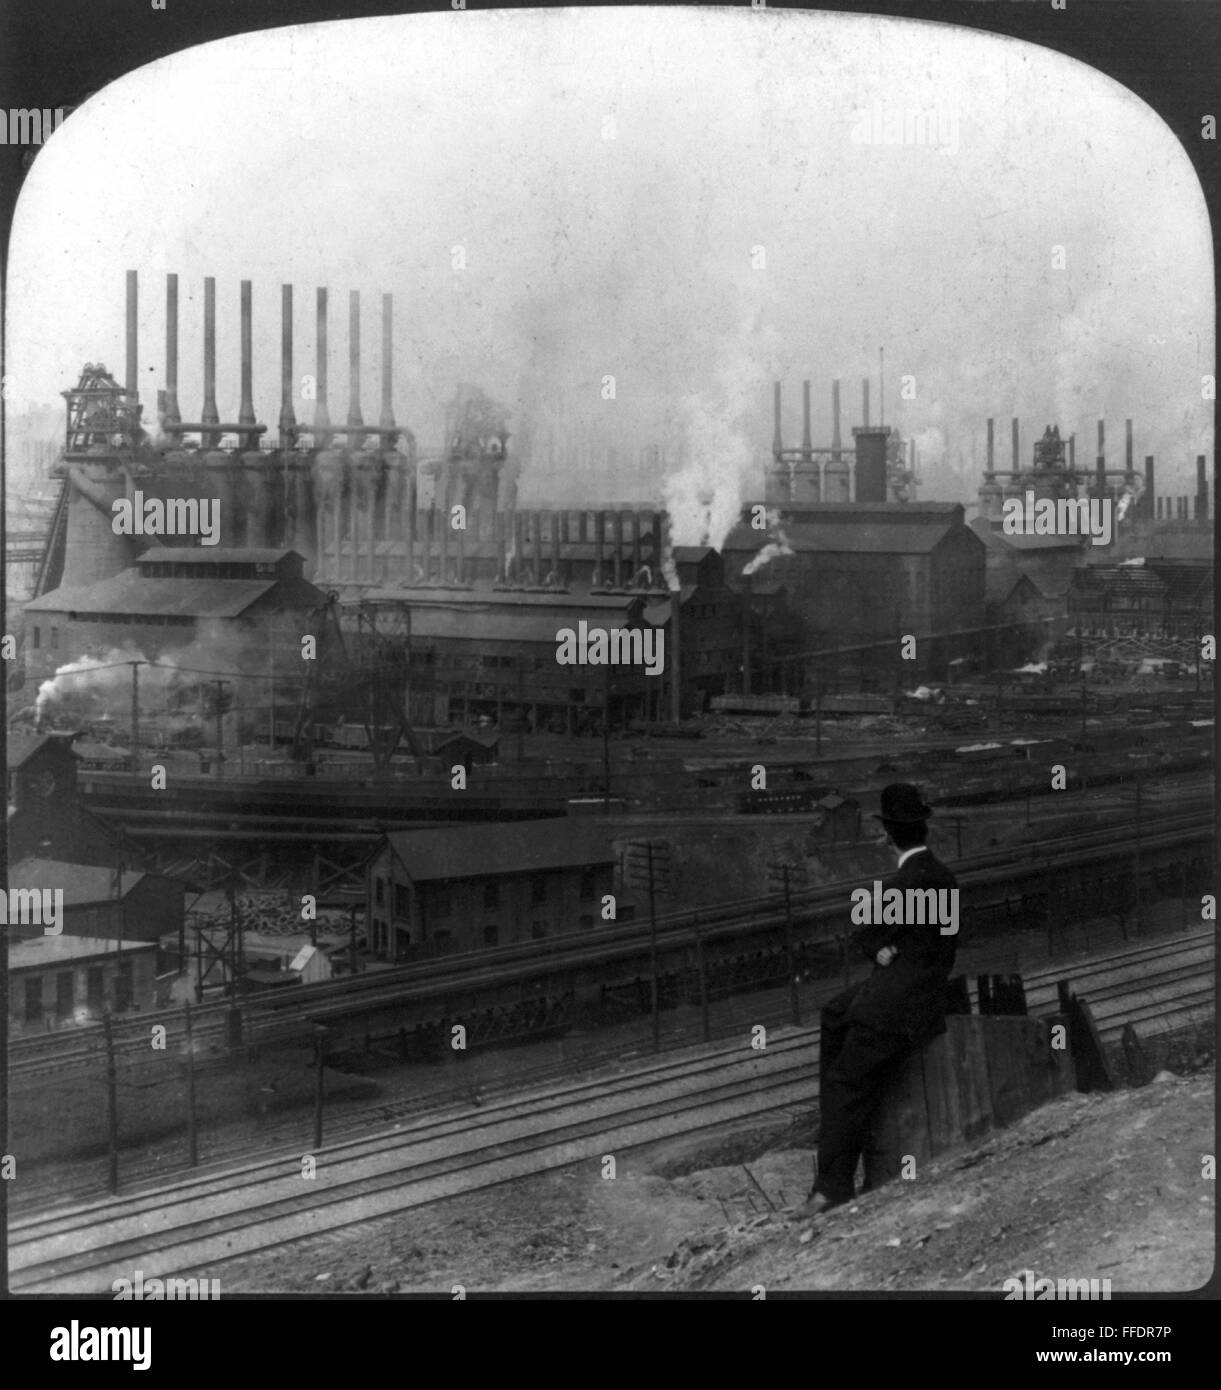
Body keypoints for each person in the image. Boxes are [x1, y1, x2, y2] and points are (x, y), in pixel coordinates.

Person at [800, 782, 959, 1218]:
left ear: (888, 835)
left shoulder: (899, 884)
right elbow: (941, 943)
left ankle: (832, 1189)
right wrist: (890, 948)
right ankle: (833, 1177)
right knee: (834, 1013)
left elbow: (864, 931)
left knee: (845, 1083)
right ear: (923, 830)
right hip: (923, 996)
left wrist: (880, 948)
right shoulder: (944, 879)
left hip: (895, 1006)